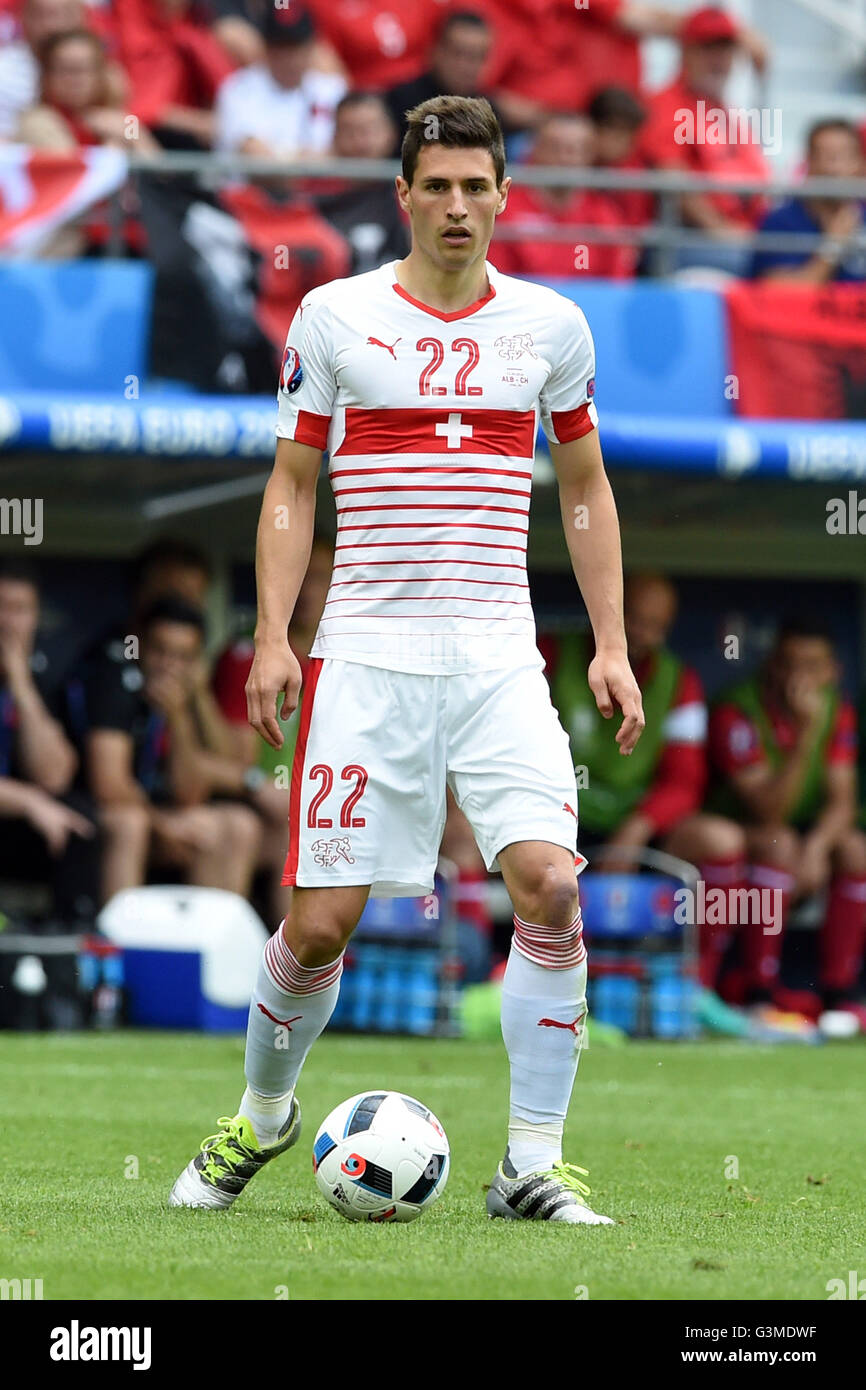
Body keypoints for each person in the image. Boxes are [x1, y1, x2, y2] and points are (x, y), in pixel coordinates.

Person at [169, 93, 645, 1225]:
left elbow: (582, 486)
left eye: (476, 186)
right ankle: (264, 1117)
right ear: (402, 196)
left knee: (547, 887)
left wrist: (612, 644)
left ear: (501, 198)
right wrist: (277, 634)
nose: (456, 206)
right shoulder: (333, 317)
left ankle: (530, 1159)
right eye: (435, 185)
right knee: (322, 920)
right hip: (365, 658)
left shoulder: (549, 328)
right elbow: (289, 485)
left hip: (497, 658)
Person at [707, 617, 866, 1035]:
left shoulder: (836, 706)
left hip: (801, 833)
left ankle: (837, 997)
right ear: (772, 665)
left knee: (854, 850)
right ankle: (758, 992)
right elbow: (768, 811)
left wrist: (815, 850)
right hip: (743, 826)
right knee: (780, 843)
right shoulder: (739, 707)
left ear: (833, 671)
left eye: (813, 666)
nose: (800, 677)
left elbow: (842, 802)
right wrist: (808, 732)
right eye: (790, 663)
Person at [85, 596, 264, 904]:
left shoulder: (188, 696)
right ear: (139, 644)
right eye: (160, 651)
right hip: (97, 812)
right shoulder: (116, 682)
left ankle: (206, 945)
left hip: (159, 810)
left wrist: (180, 715)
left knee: (238, 824)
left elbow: (189, 793)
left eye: (183, 657)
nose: (169, 666)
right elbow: (109, 786)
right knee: (133, 823)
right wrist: (162, 823)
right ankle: (120, 947)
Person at [545, 574, 707, 872]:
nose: (641, 635)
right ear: (608, 611)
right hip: (555, 817)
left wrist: (638, 828)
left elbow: (684, 782)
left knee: (716, 839)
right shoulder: (552, 653)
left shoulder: (679, 683)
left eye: (655, 626)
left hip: (635, 824)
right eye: (632, 619)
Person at [0, 560, 97, 927]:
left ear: (35, 617)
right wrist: (28, 801)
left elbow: (54, 775)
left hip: (17, 824)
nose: (8, 622)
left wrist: (20, 684)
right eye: (1, 607)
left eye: (19, 610)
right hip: (16, 807)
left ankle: (73, 945)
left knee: (78, 817)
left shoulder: (47, 676)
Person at [640, 4, 770, 273]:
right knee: (772, 265)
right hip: (689, 240)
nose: (719, 60)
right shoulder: (666, 105)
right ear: (685, 51)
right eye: (708, 48)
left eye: (726, 50)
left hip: (734, 235)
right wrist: (725, 232)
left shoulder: (722, 110)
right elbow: (675, 186)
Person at [491, 113, 634, 279]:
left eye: (578, 150)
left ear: (591, 156)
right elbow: (498, 281)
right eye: (556, 148)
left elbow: (618, 286)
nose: (566, 158)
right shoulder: (505, 209)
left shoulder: (605, 215)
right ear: (535, 150)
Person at [214, 4, 346, 158]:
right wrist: (313, 159)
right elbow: (256, 158)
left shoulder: (332, 89)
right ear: (266, 48)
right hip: (254, 183)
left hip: (323, 182)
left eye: (297, 48)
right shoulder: (238, 89)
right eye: (281, 48)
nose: (290, 59)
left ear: (312, 47)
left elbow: (351, 152)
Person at [751, 120, 866, 283]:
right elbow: (777, 295)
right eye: (824, 156)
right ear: (808, 161)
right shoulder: (780, 221)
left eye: (844, 156)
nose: (834, 169)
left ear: (860, 163)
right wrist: (833, 246)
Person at [16, 28, 158, 152]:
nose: (76, 80)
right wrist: (113, 146)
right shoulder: (37, 121)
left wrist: (128, 135)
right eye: (66, 69)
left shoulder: (125, 120)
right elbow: (75, 176)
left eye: (85, 69)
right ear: (47, 76)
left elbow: (158, 173)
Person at [314, 93, 410, 274]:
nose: (360, 142)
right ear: (334, 136)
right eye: (349, 131)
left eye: (369, 130)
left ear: (391, 133)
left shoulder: (413, 197)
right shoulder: (312, 197)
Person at [384, 11, 496, 145]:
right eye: (458, 53)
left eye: (477, 57)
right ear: (436, 50)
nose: (466, 66)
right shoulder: (400, 103)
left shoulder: (489, 112)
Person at [589, 85, 655, 234]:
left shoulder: (634, 174)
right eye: (616, 132)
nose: (622, 143)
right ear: (593, 128)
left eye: (630, 136)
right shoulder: (574, 165)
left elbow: (634, 228)